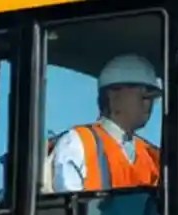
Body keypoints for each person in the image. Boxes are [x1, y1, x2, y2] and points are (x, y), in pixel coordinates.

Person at [46, 54, 163, 193]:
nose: (148, 104)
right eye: (143, 96)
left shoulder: (153, 156)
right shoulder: (79, 143)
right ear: (112, 95)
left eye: (151, 98)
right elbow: (68, 205)